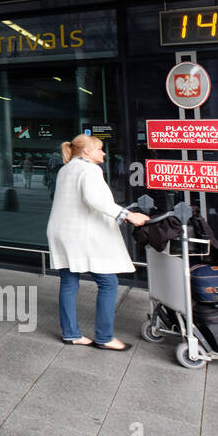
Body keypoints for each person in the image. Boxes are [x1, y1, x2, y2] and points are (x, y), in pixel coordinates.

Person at [47, 134, 149, 351]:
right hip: (81, 235)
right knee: (108, 283)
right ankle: (104, 337)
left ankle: (71, 334)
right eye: (99, 149)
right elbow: (95, 200)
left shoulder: (66, 169)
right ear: (86, 151)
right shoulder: (89, 170)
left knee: (68, 282)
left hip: (61, 232)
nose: (103, 153)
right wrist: (128, 215)